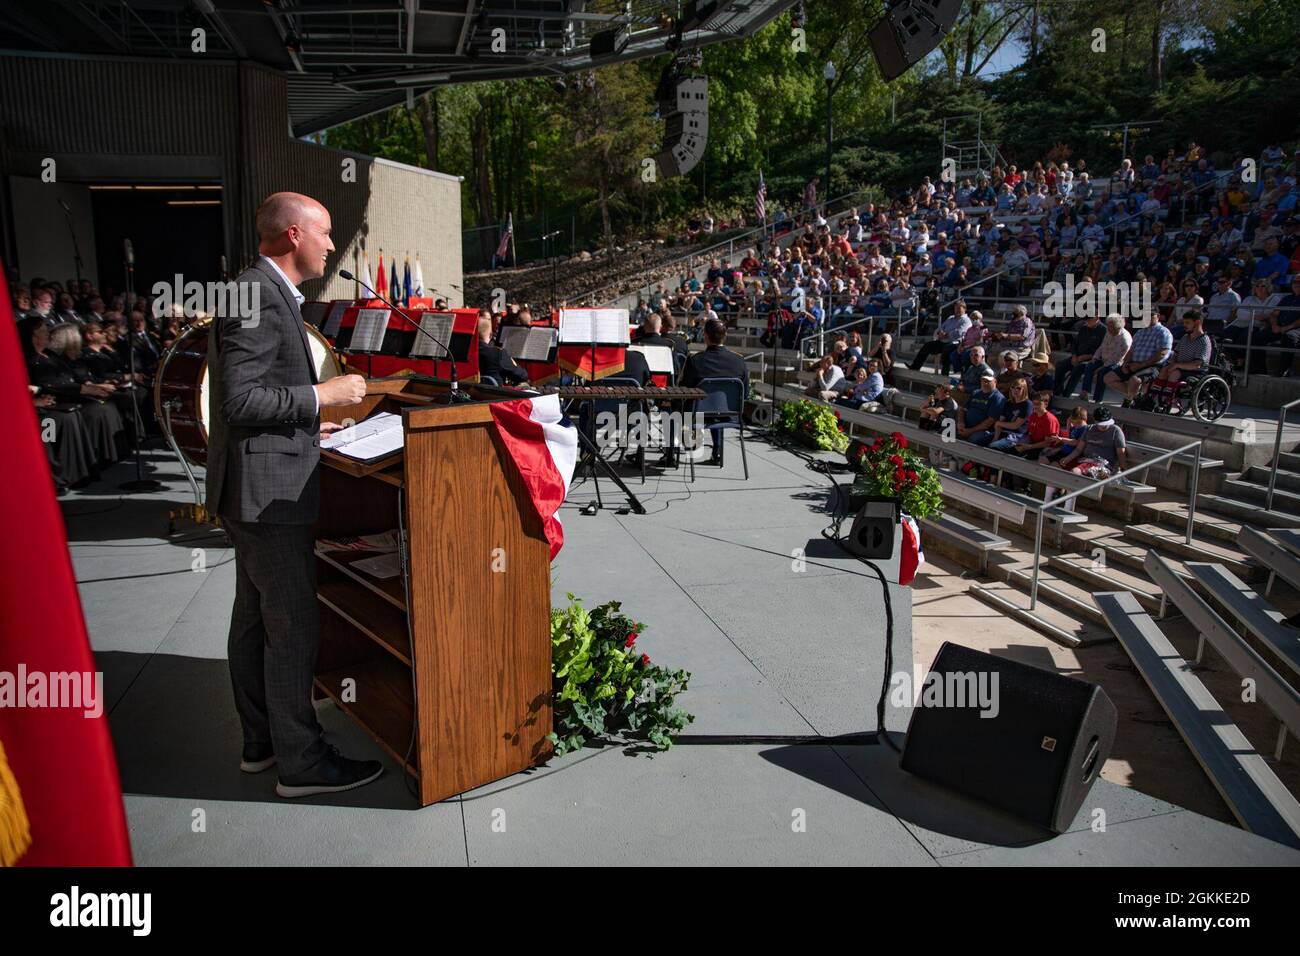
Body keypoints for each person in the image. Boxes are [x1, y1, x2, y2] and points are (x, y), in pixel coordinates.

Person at [206, 192, 380, 798]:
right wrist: (321, 398)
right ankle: (301, 764)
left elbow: (255, 399)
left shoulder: (256, 289)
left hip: (253, 488)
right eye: (325, 232)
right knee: (293, 629)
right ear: (291, 238)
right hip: (267, 498)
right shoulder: (257, 295)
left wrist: (309, 425)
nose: (333, 245)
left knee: (254, 621)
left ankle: (261, 743)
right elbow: (236, 400)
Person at [680, 318, 747, 464]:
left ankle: (686, 446)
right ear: (725, 335)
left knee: (681, 405)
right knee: (716, 407)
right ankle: (716, 451)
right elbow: (745, 394)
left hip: (698, 415)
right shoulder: (739, 361)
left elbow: (685, 391)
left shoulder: (695, 360)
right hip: (730, 414)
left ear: (705, 336)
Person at [1104, 311, 1173, 405]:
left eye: (1150, 315)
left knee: (1134, 380)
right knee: (1108, 378)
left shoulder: (1164, 332)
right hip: (1133, 363)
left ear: (1158, 316)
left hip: (1151, 365)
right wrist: (1125, 363)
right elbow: (1131, 350)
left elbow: (1162, 353)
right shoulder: (1140, 332)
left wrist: (1141, 365)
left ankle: (1129, 400)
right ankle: (1137, 397)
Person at [1153, 309, 1211, 385]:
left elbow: (1197, 364)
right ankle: (1157, 394)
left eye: (1187, 323)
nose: (1184, 325)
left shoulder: (1204, 340)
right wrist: (1171, 364)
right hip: (1180, 368)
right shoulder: (1185, 337)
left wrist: (1177, 365)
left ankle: (1169, 396)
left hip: (1196, 372)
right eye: (1184, 322)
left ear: (1197, 323)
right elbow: (1175, 354)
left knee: (1174, 374)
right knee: (1164, 370)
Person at [1054, 313, 1106, 397]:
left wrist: (1088, 356)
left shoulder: (1104, 330)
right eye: (1086, 320)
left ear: (1097, 317)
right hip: (1077, 356)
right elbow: (1075, 343)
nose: (1087, 322)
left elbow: (1103, 350)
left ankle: (1066, 394)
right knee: (1060, 365)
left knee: (1077, 369)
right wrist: (1074, 355)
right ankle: (1057, 391)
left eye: (1089, 319)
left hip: (1092, 359)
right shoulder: (1083, 328)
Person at [957, 371, 1005, 444]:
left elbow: (990, 422)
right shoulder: (976, 393)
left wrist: (970, 431)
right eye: (983, 380)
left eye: (988, 381)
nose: (984, 383)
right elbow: (962, 409)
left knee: (973, 440)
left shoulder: (998, 398)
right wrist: (961, 422)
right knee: (947, 428)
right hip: (966, 425)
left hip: (983, 430)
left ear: (995, 381)